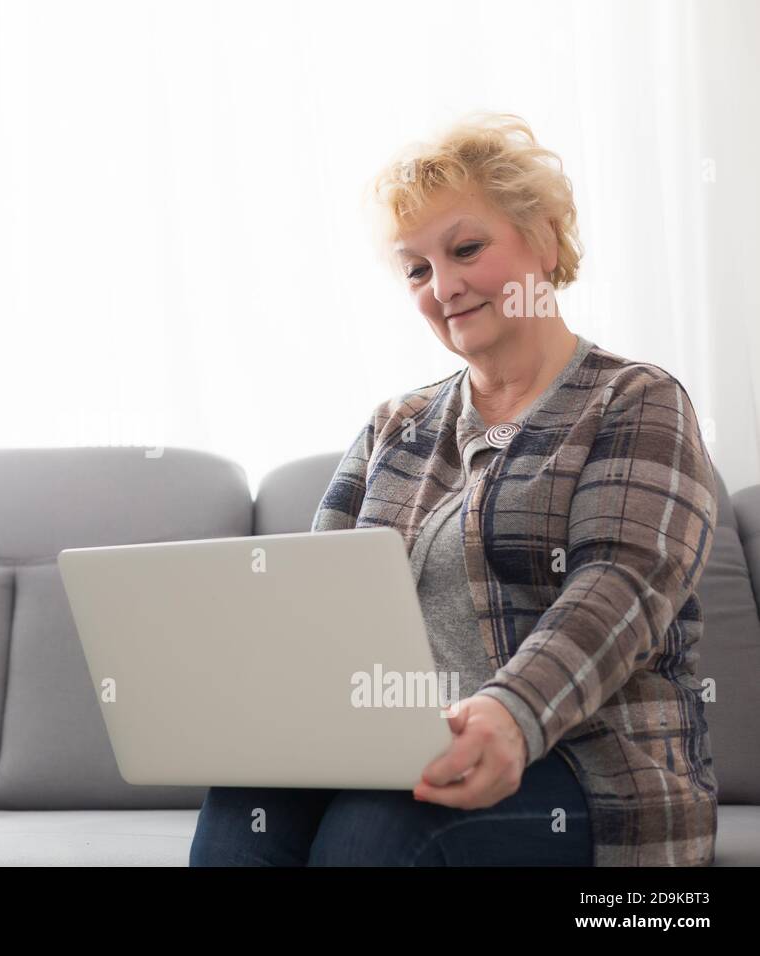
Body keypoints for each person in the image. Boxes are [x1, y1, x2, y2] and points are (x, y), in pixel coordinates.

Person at [190, 111, 718, 867]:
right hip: (395, 747)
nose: (444, 286)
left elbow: (620, 588)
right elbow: (312, 612)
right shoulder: (394, 426)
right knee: (245, 807)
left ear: (543, 237)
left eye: (467, 248)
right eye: (416, 269)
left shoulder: (634, 400)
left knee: (378, 833)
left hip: (588, 765)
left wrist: (509, 713)